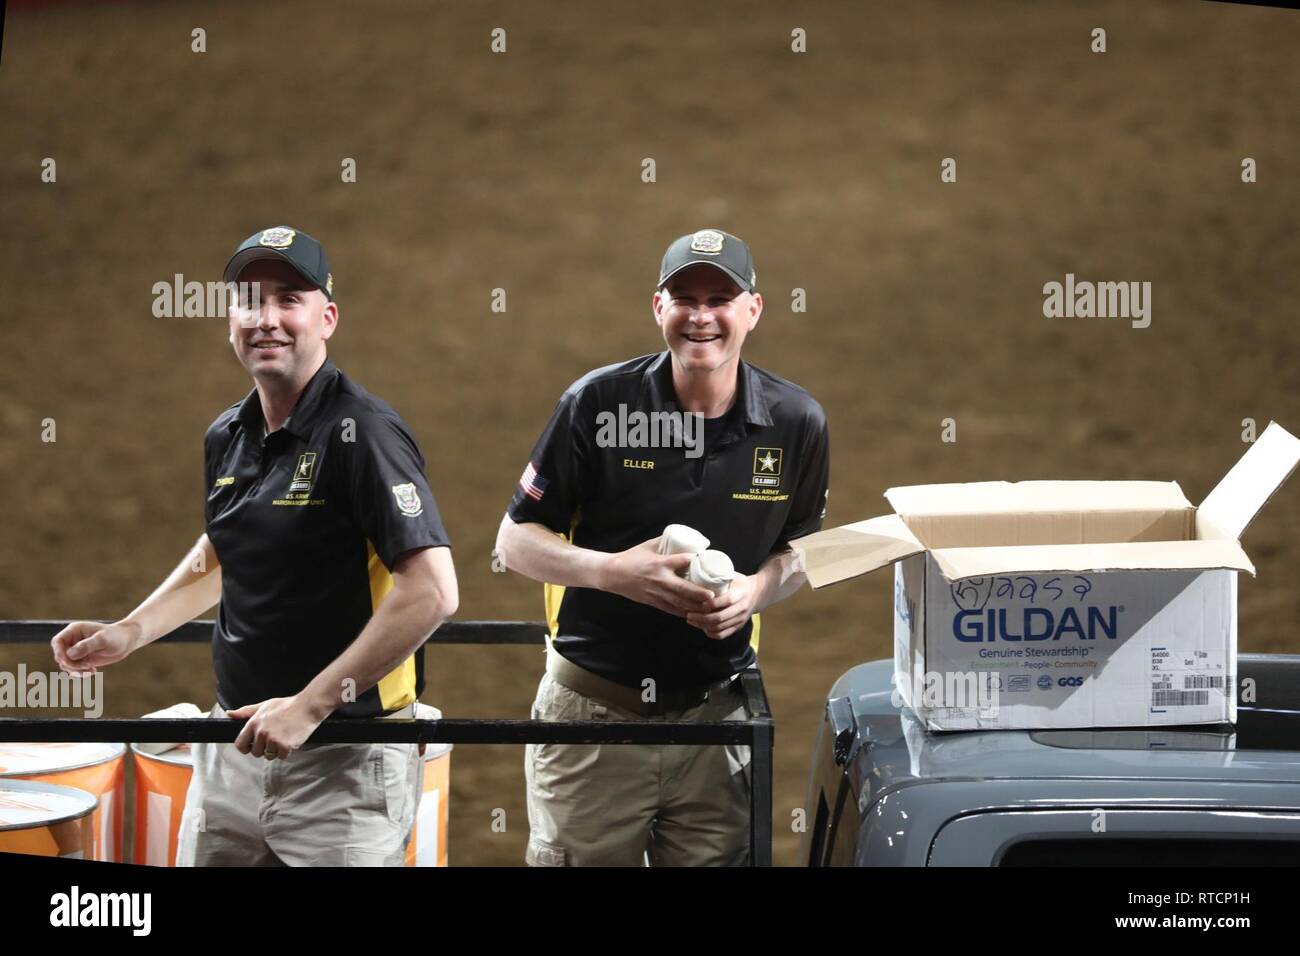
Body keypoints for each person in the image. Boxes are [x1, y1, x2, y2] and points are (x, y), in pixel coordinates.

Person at [51, 226, 458, 866]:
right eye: (248, 301)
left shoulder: (365, 433)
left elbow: (433, 592)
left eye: (289, 299)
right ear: (230, 322)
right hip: (232, 752)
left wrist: (308, 707)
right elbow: (225, 547)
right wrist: (131, 630)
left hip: (342, 764)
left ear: (327, 318)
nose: (265, 318)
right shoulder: (228, 433)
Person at [495, 228, 830, 866]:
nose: (701, 316)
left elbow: (803, 548)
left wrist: (757, 590)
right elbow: (514, 542)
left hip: (718, 718)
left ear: (752, 311)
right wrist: (613, 572)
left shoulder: (796, 423)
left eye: (721, 297)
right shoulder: (597, 404)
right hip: (592, 716)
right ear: (658, 308)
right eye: (684, 297)